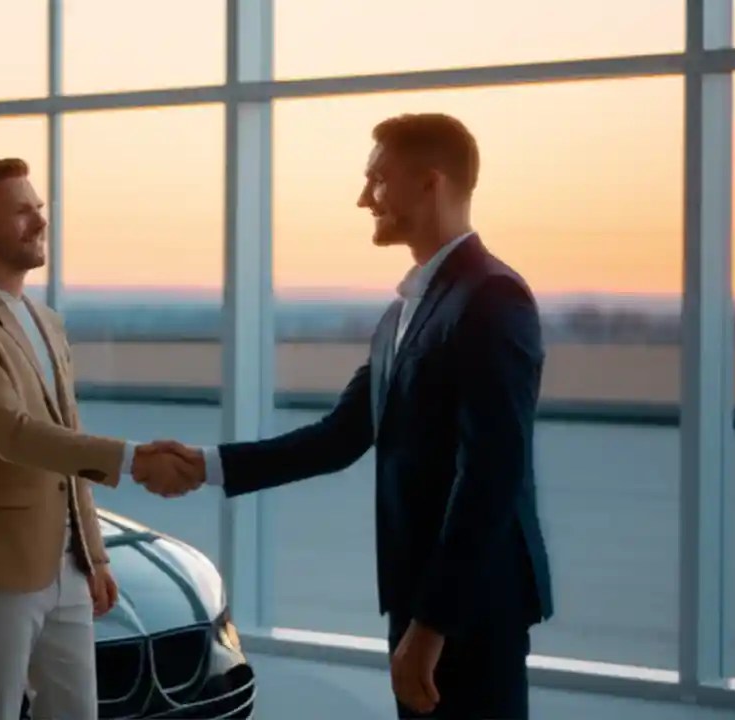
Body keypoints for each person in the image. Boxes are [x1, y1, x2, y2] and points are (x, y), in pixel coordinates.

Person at [139, 113, 555, 719]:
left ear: (429, 183)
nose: (365, 198)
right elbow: (338, 438)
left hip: (471, 608)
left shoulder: (494, 297)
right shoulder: (402, 316)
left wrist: (433, 626)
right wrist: (203, 465)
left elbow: (492, 473)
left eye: (378, 181)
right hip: (420, 602)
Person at [0, 158, 191, 719]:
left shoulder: (45, 321)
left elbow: (65, 439)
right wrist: (133, 459)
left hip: (65, 564)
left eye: (39, 209)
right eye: (20, 211)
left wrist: (94, 553)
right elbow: (13, 435)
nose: (39, 222)